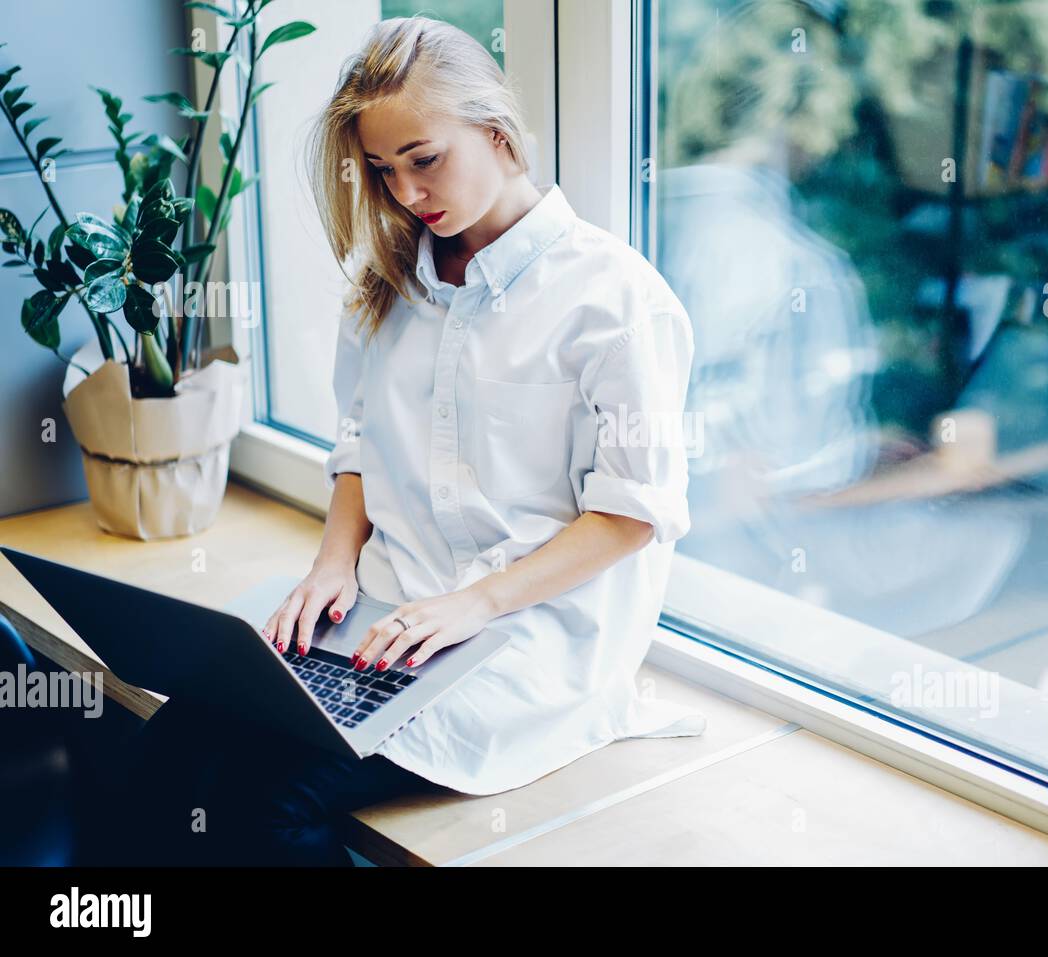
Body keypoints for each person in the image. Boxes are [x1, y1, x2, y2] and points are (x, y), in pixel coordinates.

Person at [91, 16, 705, 867]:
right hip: (384, 618)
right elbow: (359, 449)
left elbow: (632, 515)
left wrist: (476, 602)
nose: (408, 192)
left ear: (497, 133)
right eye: (382, 170)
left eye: (425, 158)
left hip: (523, 645)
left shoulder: (615, 301)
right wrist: (332, 565)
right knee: (158, 763)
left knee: (267, 805)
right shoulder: (387, 286)